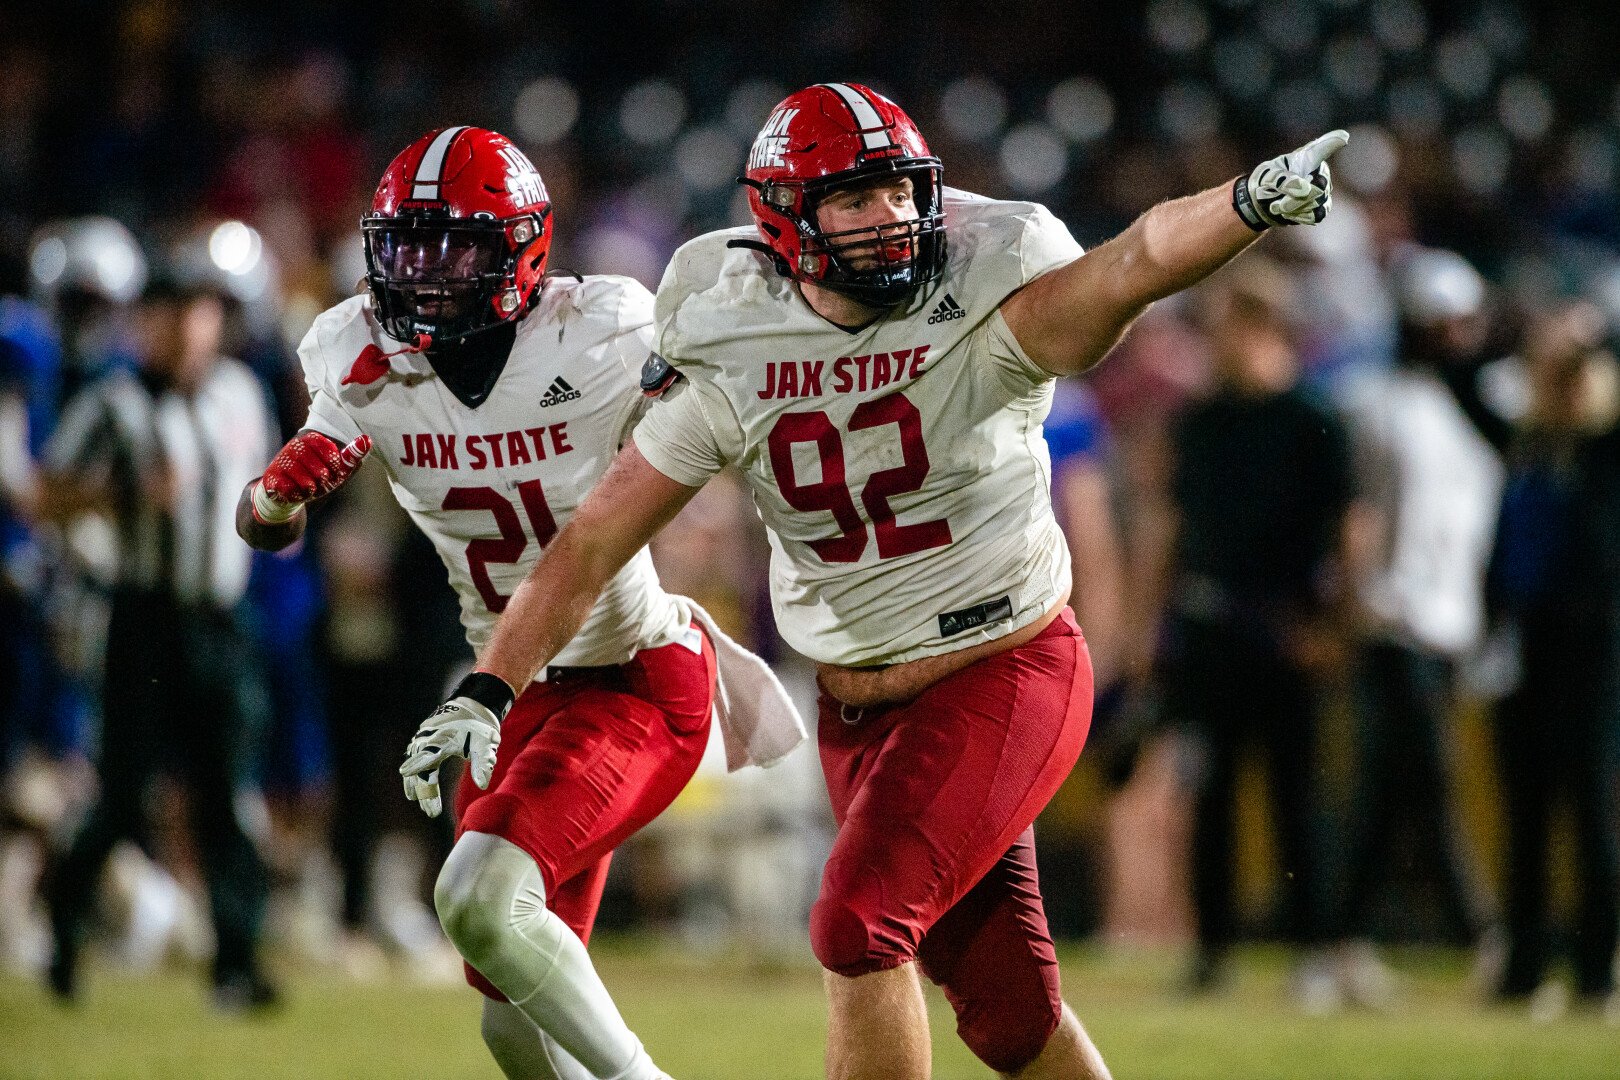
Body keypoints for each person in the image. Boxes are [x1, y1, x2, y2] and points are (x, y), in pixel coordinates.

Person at [402, 84, 1347, 1080]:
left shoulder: (987, 289)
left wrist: (1243, 202)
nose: (893, 215)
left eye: (901, 191)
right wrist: (491, 684)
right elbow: (594, 538)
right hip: (856, 708)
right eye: (857, 199)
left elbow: (1139, 259)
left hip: (1003, 666)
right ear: (785, 218)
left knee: (856, 925)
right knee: (1007, 1012)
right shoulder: (736, 334)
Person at [237, 126, 802, 1080]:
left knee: (476, 896)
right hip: (514, 696)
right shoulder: (356, 351)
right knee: (513, 1022)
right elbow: (264, 532)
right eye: (407, 245)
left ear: (523, 247)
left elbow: (725, 420)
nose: (427, 273)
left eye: (455, 245)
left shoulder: (606, 331)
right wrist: (275, 495)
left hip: (634, 678)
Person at [42, 276, 280, 1010]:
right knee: (122, 793)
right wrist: (122, 497)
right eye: (167, 315)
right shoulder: (113, 402)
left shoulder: (239, 392)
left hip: (223, 617)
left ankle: (236, 963)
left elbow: (269, 483)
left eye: (196, 313)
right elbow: (46, 492)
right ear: (143, 323)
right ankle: (65, 927)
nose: (182, 330)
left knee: (228, 793)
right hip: (144, 615)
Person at [1148, 262, 1352, 1005]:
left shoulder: (1312, 419)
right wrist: (1152, 632)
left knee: (1298, 797)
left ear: (1266, 327)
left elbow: (1346, 530)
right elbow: (1174, 530)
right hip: (1212, 633)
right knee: (1211, 797)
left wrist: (1334, 625)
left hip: (1290, 631)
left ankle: (1314, 952)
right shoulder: (1201, 422)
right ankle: (1213, 950)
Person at [1330, 247, 1503, 992]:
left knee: (1396, 786)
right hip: (1397, 618)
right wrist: (1358, 599)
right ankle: (1484, 932)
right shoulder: (1380, 403)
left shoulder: (1485, 406)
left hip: (1456, 622)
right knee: (1427, 776)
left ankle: (1337, 941)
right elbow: (1361, 515)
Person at [1486, 301, 1620, 1019]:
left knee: (1592, 810)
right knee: (1528, 811)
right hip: (1529, 642)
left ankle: (1597, 969)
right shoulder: (1528, 446)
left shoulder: (1604, 454)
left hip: (1597, 647)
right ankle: (1525, 965)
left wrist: (1588, 333)